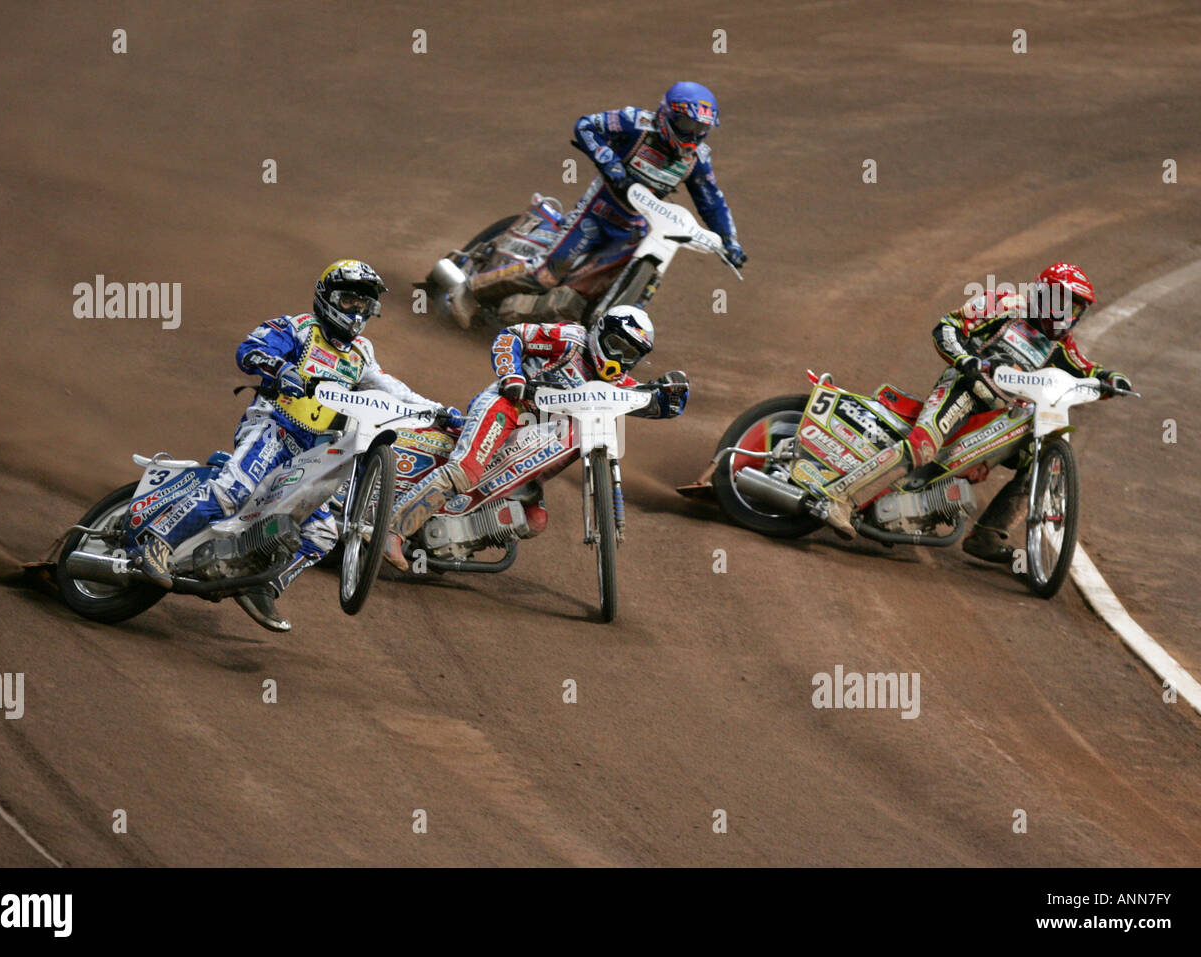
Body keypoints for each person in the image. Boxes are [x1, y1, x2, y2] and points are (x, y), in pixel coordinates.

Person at [131, 259, 462, 631]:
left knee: (323, 534)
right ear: (327, 298)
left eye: (364, 304)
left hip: (312, 454)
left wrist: (439, 411)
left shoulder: (361, 354)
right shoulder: (299, 328)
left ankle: (260, 586)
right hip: (273, 427)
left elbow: (393, 389)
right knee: (233, 491)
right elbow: (250, 349)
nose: (356, 310)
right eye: (349, 300)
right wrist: (280, 368)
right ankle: (156, 542)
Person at [814, 262, 1132, 554]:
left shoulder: (1063, 345)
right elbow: (948, 325)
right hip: (965, 388)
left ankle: (987, 535)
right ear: (1042, 293)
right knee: (924, 446)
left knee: (1040, 461)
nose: (1066, 315)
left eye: (1074, 309)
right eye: (1062, 303)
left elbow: (1086, 369)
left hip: (1002, 416)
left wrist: (1110, 379)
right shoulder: (1006, 304)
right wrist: (964, 359)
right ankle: (836, 497)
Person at [384, 305, 690, 569]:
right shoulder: (570, 339)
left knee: (535, 519)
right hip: (510, 406)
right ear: (600, 332)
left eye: (630, 355)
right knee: (466, 470)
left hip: (540, 437)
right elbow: (512, 336)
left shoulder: (617, 383)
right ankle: (392, 530)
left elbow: (656, 405)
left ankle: (449, 542)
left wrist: (673, 394)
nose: (619, 358)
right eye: (616, 345)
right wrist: (512, 376)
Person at [447, 82, 746, 328]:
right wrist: (611, 165)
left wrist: (730, 243)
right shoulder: (635, 122)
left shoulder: (697, 158)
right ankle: (470, 290)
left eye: (700, 127)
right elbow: (586, 126)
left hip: (635, 229)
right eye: (687, 124)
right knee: (546, 274)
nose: (693, 133)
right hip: (597, 213)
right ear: (667, 115)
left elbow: (712, 201)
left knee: (597, 287)